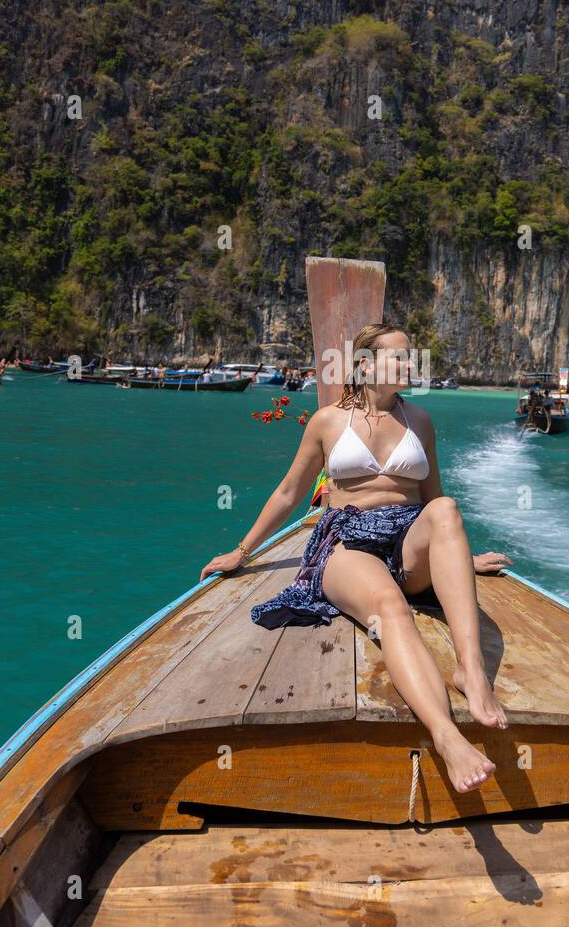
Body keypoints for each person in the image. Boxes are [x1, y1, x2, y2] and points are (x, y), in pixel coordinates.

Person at [200, 323, 513, 795]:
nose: (411, 366)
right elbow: (289, 493)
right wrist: (242, 552)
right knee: (391, 608)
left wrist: (461, 560)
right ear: (365, 364)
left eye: (412, 358)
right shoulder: (328, 421)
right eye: (400, 358)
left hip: (407, 539)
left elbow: (434, 502)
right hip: (349, 540)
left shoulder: (420, 422)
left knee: (447, 510)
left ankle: (471, 671)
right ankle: (447, 738)